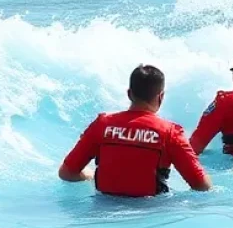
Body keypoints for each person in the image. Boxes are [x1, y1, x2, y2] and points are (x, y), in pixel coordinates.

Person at [59, 64, 212, 198]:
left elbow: (66, 173)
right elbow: (202, 186)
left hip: (102, 210)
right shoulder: (170, 133)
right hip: (151, 214)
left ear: (129, 94)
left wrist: (88, 176)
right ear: (161, 96)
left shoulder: (102, 125)